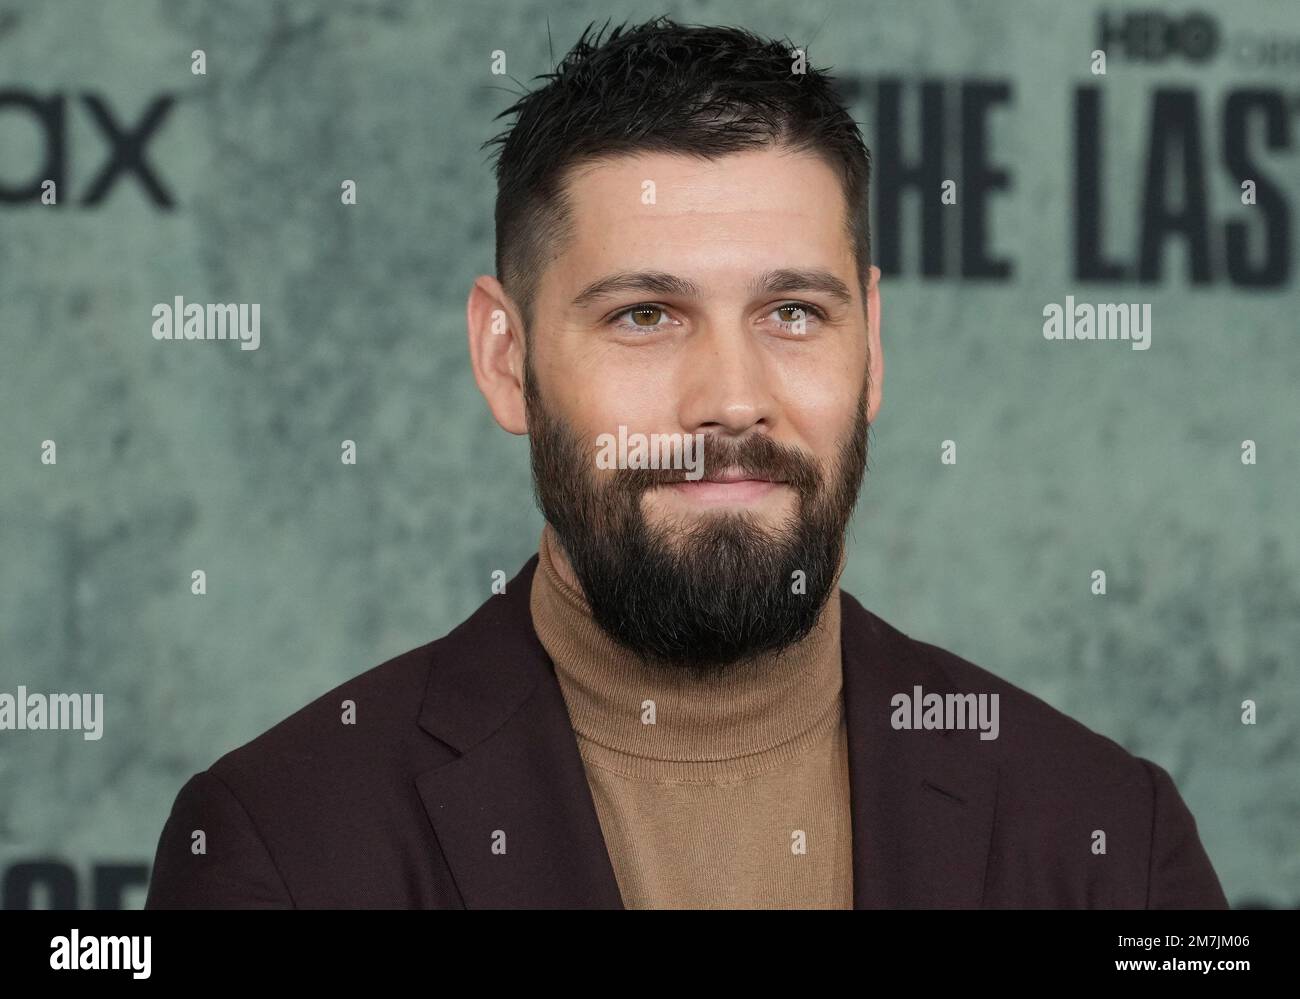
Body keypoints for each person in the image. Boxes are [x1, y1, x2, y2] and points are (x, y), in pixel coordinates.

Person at [145, 16, 1228, 909]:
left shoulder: (1108, 843)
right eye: (647, 314)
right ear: (506, 359)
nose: (731, 400)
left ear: (872, 349)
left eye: (793, 311)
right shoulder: (281, 849)